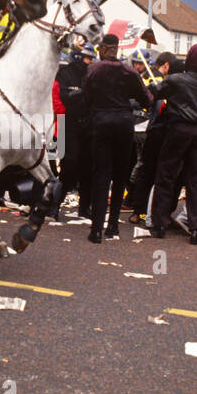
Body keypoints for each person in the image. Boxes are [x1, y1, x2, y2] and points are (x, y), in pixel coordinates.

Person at [82, 33, 151, 241]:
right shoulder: (129, 71)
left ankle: (96, 229)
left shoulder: (92, 70)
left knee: (101, 175)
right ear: (117, 48)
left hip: (101, 122)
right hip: (123, 123)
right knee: (120, 175)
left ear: (102, 49)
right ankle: (113, 226)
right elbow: (146, 99)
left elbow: (85, 99)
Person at [150, 43, 197, 243]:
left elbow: (155, 92)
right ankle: (196, 228)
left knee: (166, 175)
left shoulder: (177, 80)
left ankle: (159, 223)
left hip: (177, 129)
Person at [126, 50, 175, 224]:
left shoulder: (160, 80)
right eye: (136, 63)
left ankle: (138, 207)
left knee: (143, 168)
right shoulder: (149, 79)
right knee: (144, 168)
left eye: (141, 63)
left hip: (150, 127)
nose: (138, 66)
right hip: (147, 128)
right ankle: (137, 207)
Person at [55, 45, 95, 218]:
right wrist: (81, 93)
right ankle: (54, 205)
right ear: (79, 57)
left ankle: (85, 207)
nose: (91, 62)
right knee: (68, 166)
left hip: (87, 123)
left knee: (87, 167)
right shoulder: (65, 73)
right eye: (88, 58)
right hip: (67, 123)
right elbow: (63, 96)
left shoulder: (93, 74)